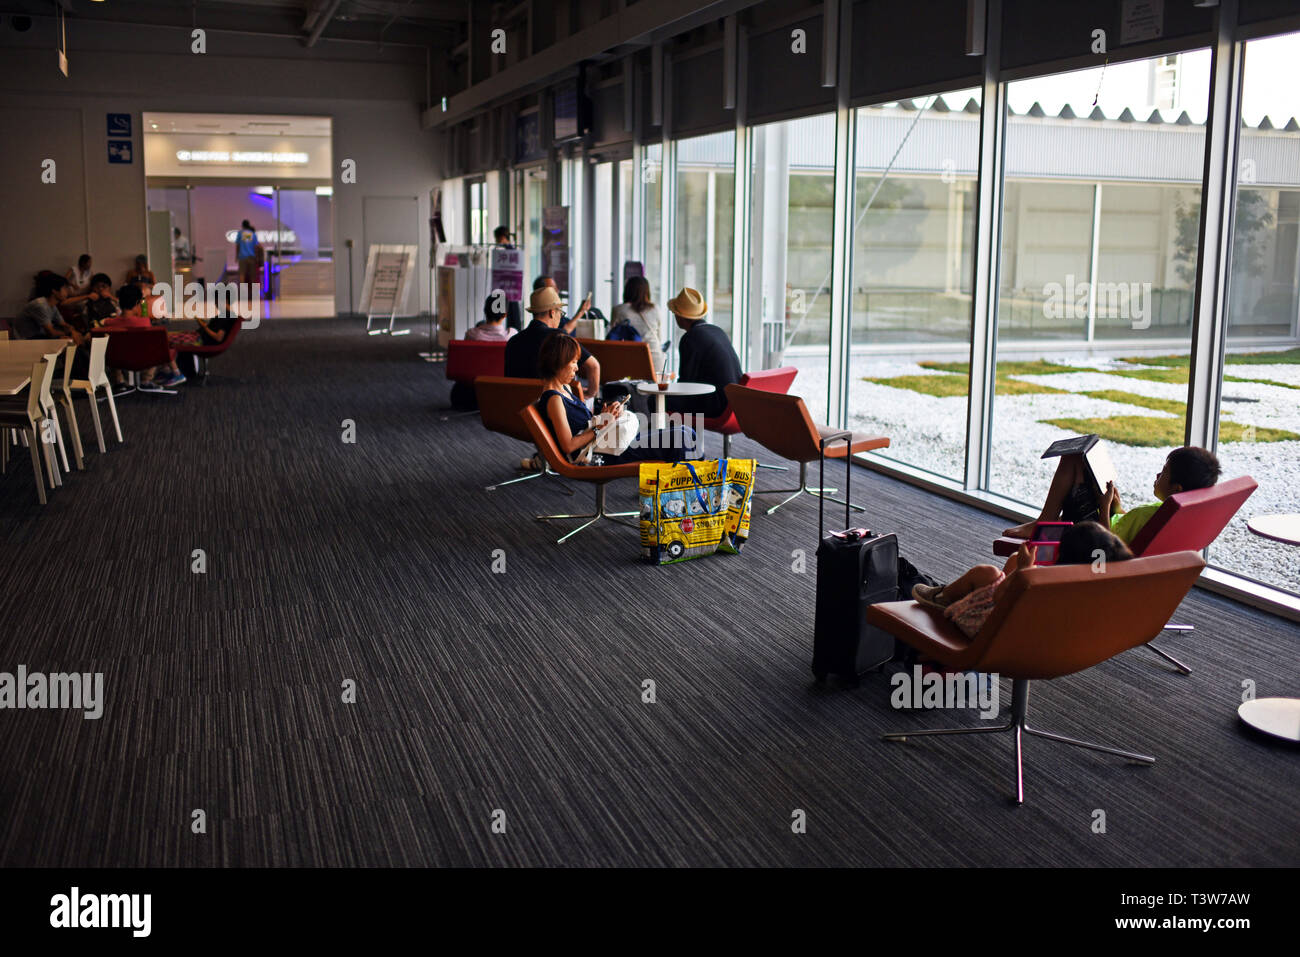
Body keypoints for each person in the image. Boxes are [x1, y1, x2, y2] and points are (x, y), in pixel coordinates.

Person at [912, 521, 1134, 639]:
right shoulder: (1092, 588)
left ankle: (942, 597)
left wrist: (1024, 571)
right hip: (1044, 639)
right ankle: (946, 595)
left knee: (987, 573)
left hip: (999, 634)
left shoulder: (1040, 583)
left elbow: (1001, 598)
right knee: (1013, 561)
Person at [1004, 446, 1221, 546]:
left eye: (1164, 472)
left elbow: (1108, 545)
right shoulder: (1172, 514)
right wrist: (1117, 508)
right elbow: (1133, 530)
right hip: (1104, 522)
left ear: (1177, 488)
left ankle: (1044, 522)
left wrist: (1105, 507)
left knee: (1073, 457)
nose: (1158, 474)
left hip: (1093, 533)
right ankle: (1047, 521)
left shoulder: (1148, 514)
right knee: (1081, 460)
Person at [535, 333, 694, 466]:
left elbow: (585, 425)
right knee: (678, 438)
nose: (577, 368)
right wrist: (602, 426)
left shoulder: (565, 389)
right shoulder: (554, 400)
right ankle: (686, 493)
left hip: (607, 443)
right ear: (559, 363)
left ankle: (698, 487)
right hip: (600, 454)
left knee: (687, 431)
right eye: (574, 362)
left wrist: (605, 415)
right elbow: (569, 446)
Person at [505, 286, 600, 396]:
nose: (560, 317)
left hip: (518, 406)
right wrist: (589, 394)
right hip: (551, 407)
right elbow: (593, 366)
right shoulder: (558, 339)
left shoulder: (513, 341)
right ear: (552, 312)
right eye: (561, 313)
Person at [666, 287, 741, 419]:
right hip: (735, 403)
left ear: (681, 316)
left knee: (656, 400)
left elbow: (686, 384)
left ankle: (671, 438)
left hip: (717, 406)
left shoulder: (690, 338)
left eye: (675, 313)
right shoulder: (717, 331)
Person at [100, 285, 186, 388]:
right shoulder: (144, 322)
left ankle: (120, 380)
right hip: (144, 361)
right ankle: (146, 379)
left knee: (113, 346)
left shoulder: (109, 323)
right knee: (158, 344)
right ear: (137, 303)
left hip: (118, 361)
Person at [609, 276, 664, 374]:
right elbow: (659, 338)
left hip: (630, 360)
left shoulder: (619, 310)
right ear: (647, 292)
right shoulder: (656, 309)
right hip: (655, 361)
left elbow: (613, 337)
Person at [13, 273, 82, 341]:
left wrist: (73, 331)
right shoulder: (41, 305)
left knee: (72, 339)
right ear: (54, 291)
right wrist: (69, 333)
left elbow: (63, 324)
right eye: (64, 288)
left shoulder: (52, 305)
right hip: (25, 340)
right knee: (68, 340)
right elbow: (51, 333)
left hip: (37, 338)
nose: (67, 291)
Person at [235, 220, 259, 285]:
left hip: (242, 257)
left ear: (242, 226)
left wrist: (236, 256)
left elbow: (238, 246)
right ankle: (254, 293)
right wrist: (256, 257)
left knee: (242, 274)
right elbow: (256, 247)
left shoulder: (240, 233)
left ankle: (243, 293)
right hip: (251, 257)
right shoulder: (253, 234)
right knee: (253, 276)